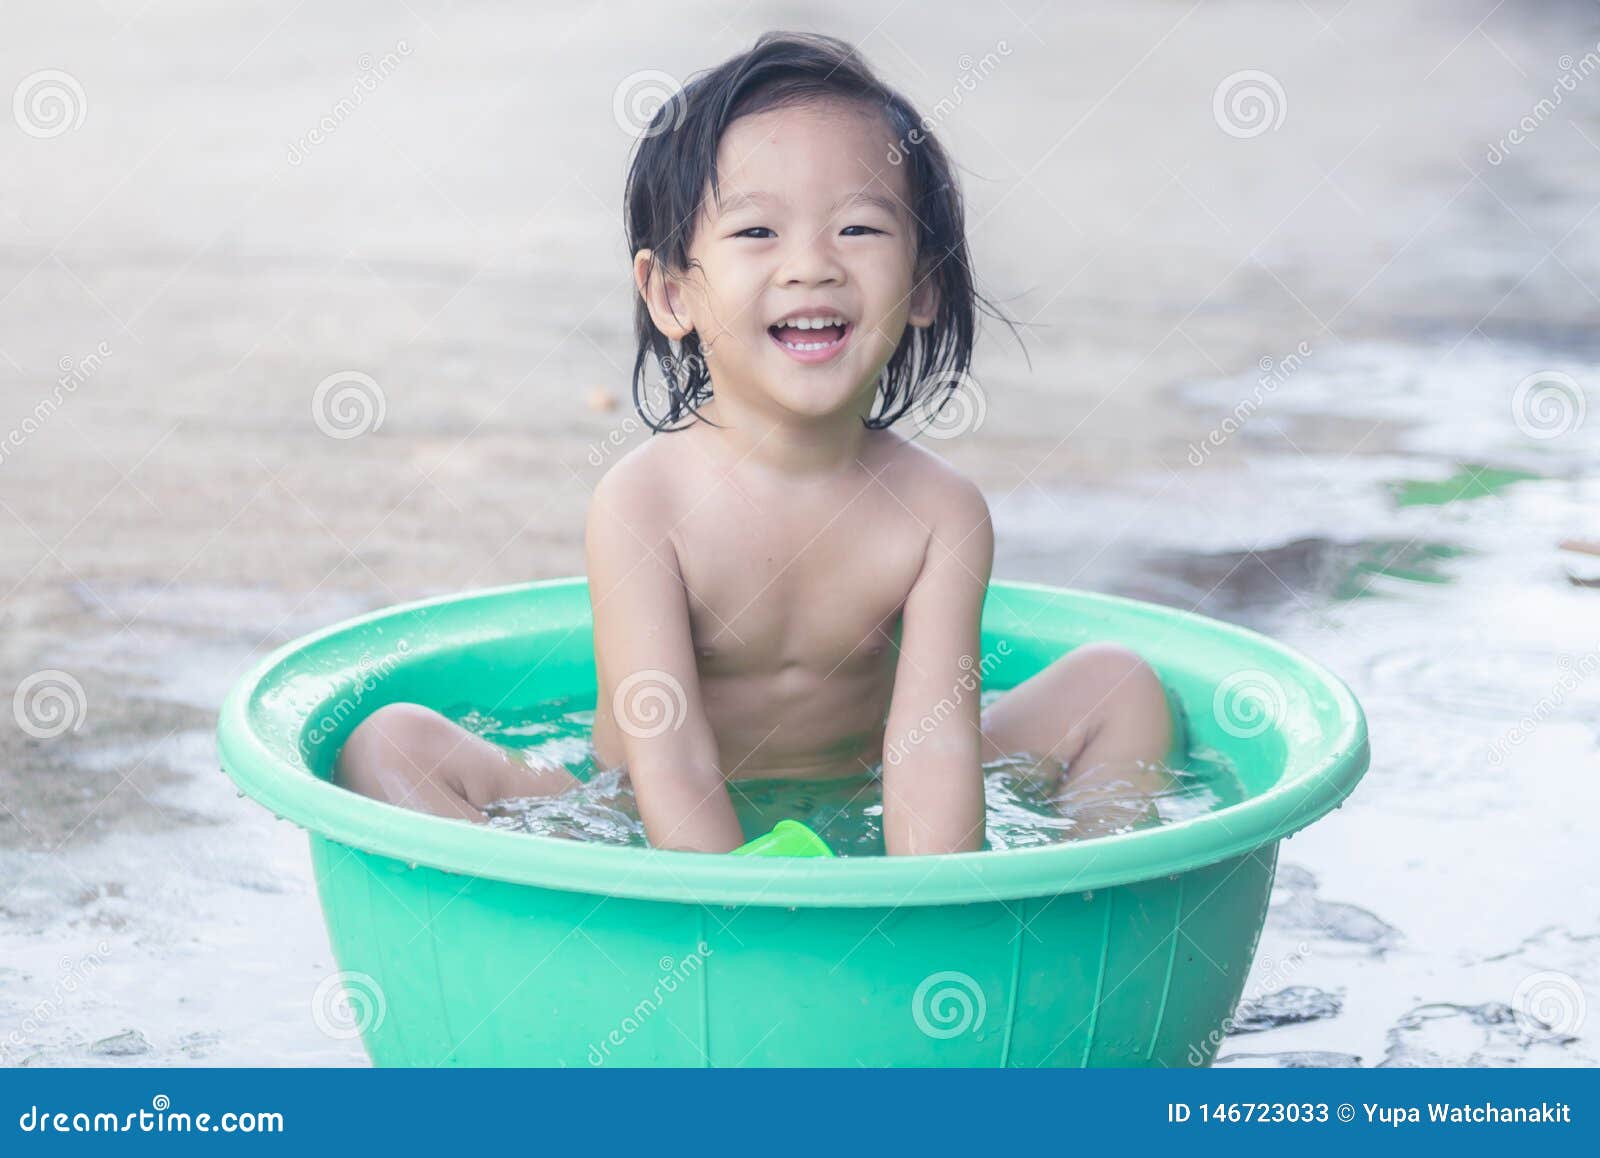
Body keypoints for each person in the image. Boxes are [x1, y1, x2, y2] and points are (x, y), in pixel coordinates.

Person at [335, 32, 1177, 854]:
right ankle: (539, 915)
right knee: (389, 743)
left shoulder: (936, 512)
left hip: (858, 790)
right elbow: (671, 758)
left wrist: (929, 920)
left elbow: (929, 750)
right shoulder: (645, 504)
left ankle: (1089, 891)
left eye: (859, 230)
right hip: (630, 819)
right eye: (755, 233)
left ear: (923, 285)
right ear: (671, 294)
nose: (811, 266)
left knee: (1119, 685)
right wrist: (735, 907)